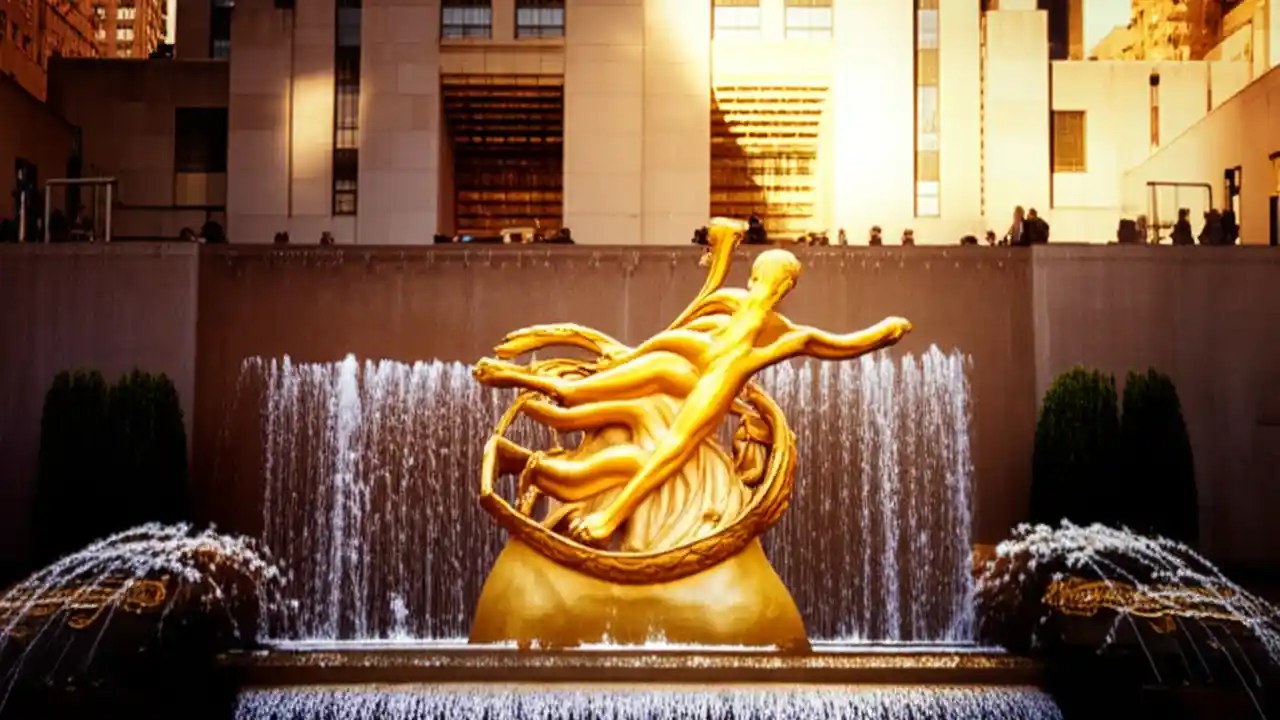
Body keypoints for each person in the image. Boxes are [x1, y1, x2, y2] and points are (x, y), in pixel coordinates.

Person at [475, 248, 911, 544]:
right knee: (656, 441)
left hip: (703, 369)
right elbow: (842, 344)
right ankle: (518, 384)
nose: (777, 285)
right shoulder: (768, 321)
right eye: (782, 279)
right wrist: (884, 333)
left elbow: (842, 345)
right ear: (780, 283)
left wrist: (882, 334)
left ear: (764, 277)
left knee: (638, 429)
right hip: (706, 371)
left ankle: (516, 384)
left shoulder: (758, 315)